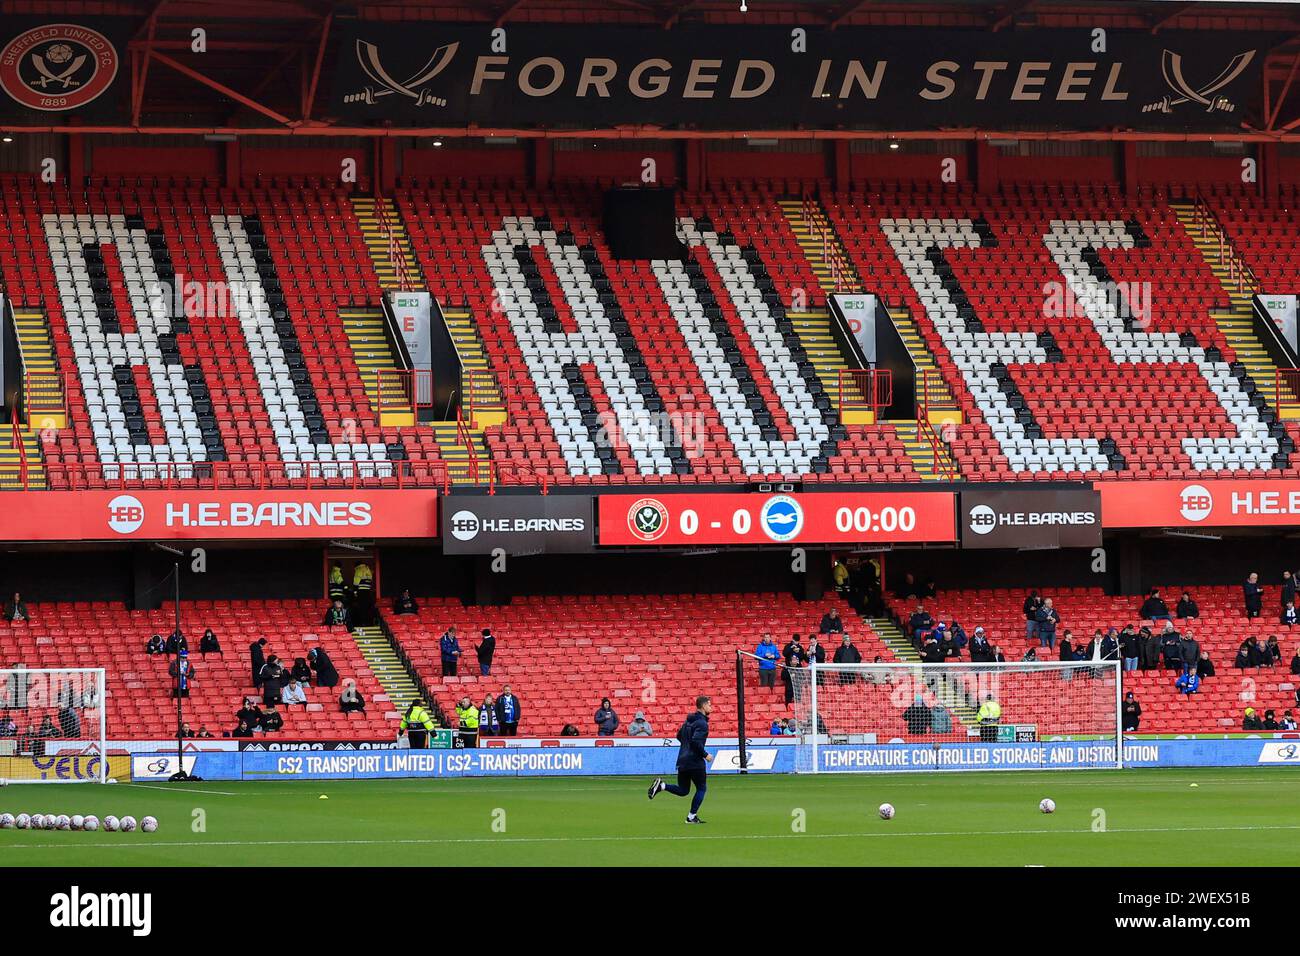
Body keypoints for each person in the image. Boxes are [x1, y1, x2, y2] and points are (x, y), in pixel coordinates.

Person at [647, 695, 713, 824]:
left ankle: (662, 786)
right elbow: (695, 742)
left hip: (683, 760)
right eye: (709, 705)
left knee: (683, 790)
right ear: (703, 706)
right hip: (695, 761)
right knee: (701, 788)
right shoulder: (702, 723)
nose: (711, 707)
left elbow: (679, 736)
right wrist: (705, 755)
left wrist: (686, 747)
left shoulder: (688, 721)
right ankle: (691, 816)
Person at [782, 633, 807, 705]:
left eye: (797, 642)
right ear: (792, 640)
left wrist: (798, 652)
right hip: (789, 668)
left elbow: (802, 658)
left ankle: (798, 705)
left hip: (798, 669)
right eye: (795, 641)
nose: (796, 643)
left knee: (798, 690)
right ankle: (787, 705)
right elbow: (784, 654)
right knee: (789, 690)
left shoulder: (800, 648)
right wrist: (791, 649)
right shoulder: (788, 646)